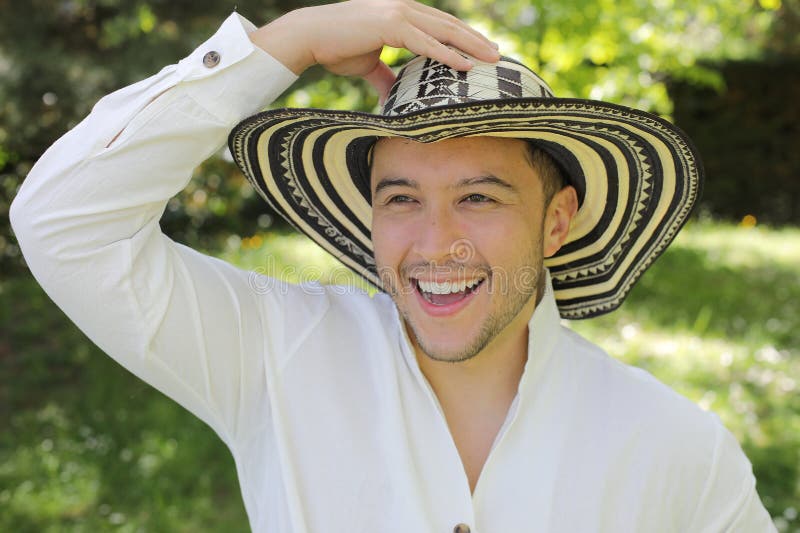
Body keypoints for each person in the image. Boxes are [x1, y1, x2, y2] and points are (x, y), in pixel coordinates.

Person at [10, 0, 776, 531]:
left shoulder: (678, 449)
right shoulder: (275, 354)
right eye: (402, 197)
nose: (435, 242)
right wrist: (290, 40)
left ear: (556, 220)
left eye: (478, 197)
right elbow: (65, 223)